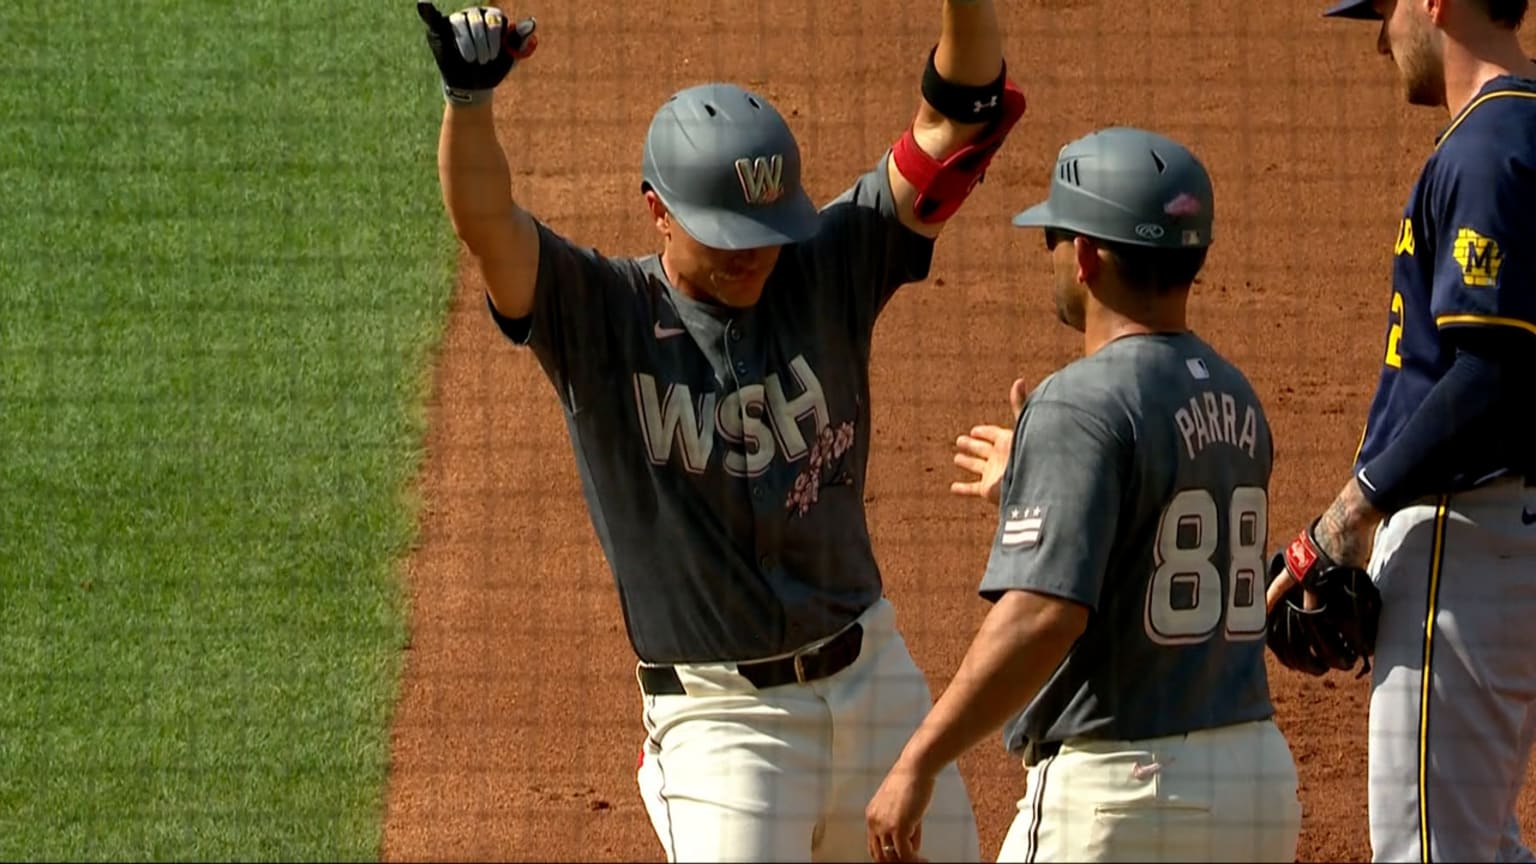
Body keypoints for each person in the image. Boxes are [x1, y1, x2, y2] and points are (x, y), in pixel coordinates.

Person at [412, 1, 1029, 860]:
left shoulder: (827, 262)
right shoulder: (599, 314)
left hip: (873, 682)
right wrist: (468, 103)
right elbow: (489, 227)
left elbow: (958, 116)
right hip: (723, 722)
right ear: (657, 210)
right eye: (725, 236)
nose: (752, 256)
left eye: (767, 232)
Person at [863, 126, 1304, 863]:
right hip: (1254, 784)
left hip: (1125, 798)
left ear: (1087, 254)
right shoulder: (1237, 397)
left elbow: (1043, 616)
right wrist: (1042, 480)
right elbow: (1156, 536)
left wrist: (919, 760)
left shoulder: (1080, 403)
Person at [1264, 2, 1536, 860]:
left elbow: (1487, 375)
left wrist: (1343, 521)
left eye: (1384, 10)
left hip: (1467, 535)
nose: (1379, 36)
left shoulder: (1489, 149)